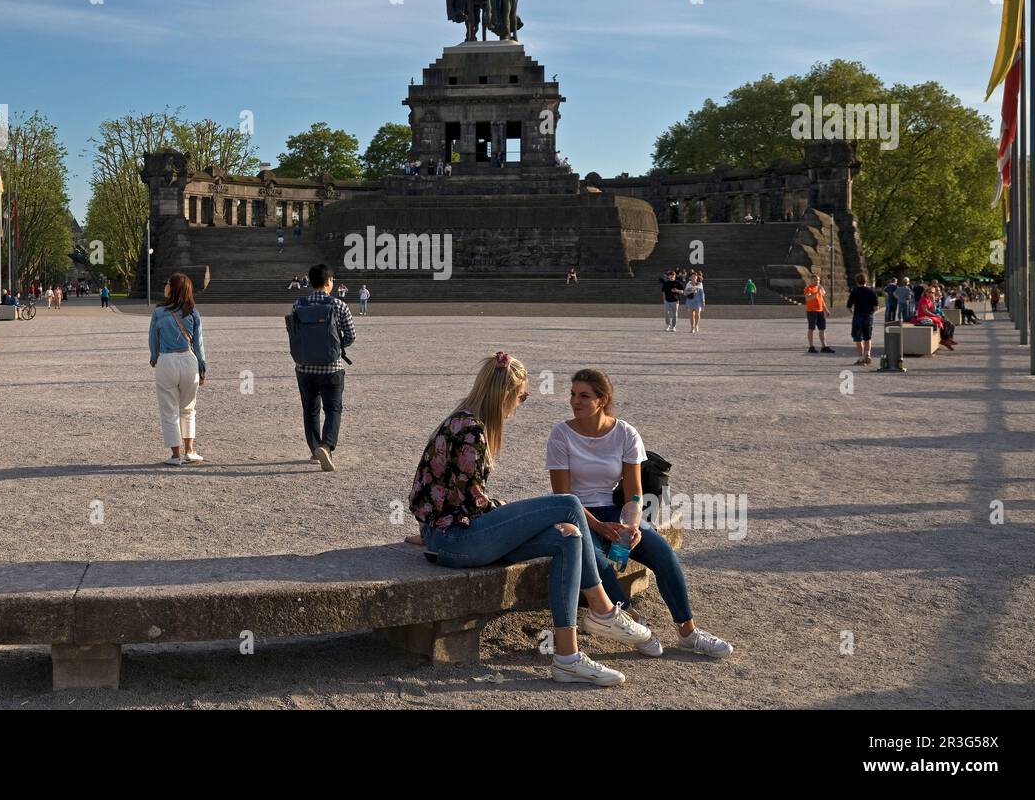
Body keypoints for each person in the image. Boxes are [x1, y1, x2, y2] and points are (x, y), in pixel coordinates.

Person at [410, 353, 648, 687]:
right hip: (457, 541)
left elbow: (428, 491)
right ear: (504, 394)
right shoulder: (471, 431)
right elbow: (473, 504)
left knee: (569, 538)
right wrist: (443, 527)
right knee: (566, 503)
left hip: (452, 536)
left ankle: (567, 658)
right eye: (522, 396)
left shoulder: (461, 419)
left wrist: (429, 526)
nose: (521, 404)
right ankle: (603, 609)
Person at [547, 368, 734, 661]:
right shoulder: (561, 434)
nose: (575, 401)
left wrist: (631, 526)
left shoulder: (625, 433)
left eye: (584, 396)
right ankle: (634, 625)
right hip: (576, 513)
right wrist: (598, 526)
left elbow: (634, 492)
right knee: (597, 562)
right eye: (572, 395)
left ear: (602, 399)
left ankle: (689, 633)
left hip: (615, 510)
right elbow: (562, 496)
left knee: (663, 554)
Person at [288, 264, 356, 472]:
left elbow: (294, 333)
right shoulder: (339, 305)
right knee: (333, 408)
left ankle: (314, 449)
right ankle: (326, 446)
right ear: (328, 282)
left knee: (310, 410)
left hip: (304, 366)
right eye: (332, 280)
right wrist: (336, 348)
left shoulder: (298, 304)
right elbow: (351, 334)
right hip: (331, 367)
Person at [149, 272, 207, 465]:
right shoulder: (193, 312)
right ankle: (190, 451)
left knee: (169, 410)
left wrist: (154, 357)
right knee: (189, 409)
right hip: (188, 360)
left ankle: (175, 455)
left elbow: (153, 340)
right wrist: (202, 367)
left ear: (172, 289)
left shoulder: (158, 312)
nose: (166, 286)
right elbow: (198, 345)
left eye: (168, 284)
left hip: (167, 360)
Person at [846, 273, 878, 366]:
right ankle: (867, 354)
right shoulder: (871, 291)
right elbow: (876, 307)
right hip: (868, 316)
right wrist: (871, 313)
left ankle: (861, 358)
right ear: (866, 281)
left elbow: (849, 306)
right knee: (867, 337)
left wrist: (853, 312)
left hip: (858, 316)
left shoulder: (854, 291)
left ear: (857, 281)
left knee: (858, 338)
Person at [912, 285, 957, 351]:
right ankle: (945, 340)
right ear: (925, 292)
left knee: (950, 324)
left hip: (928, 316)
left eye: (932, 293)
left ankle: (948, 339)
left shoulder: (929, 299)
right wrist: (935, 315)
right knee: (943, 322)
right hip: (922, 317)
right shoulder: (923, 299)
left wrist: (933, 301)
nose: (931, 294)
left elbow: (933, 310)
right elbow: (925, 311)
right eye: (929, 292)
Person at [804, 275, 834, 353]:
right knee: (811, 329)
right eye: (815, 280)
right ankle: (811, 347)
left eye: (818, 280)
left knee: (822, 329)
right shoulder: (808, 288)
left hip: (820, 311)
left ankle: (824, 346)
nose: (817, 281)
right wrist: (817, 291)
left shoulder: (820, 288)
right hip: (811, 311)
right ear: (811, 280)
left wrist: (826, 310)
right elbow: (808, 299)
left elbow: (821, 300)